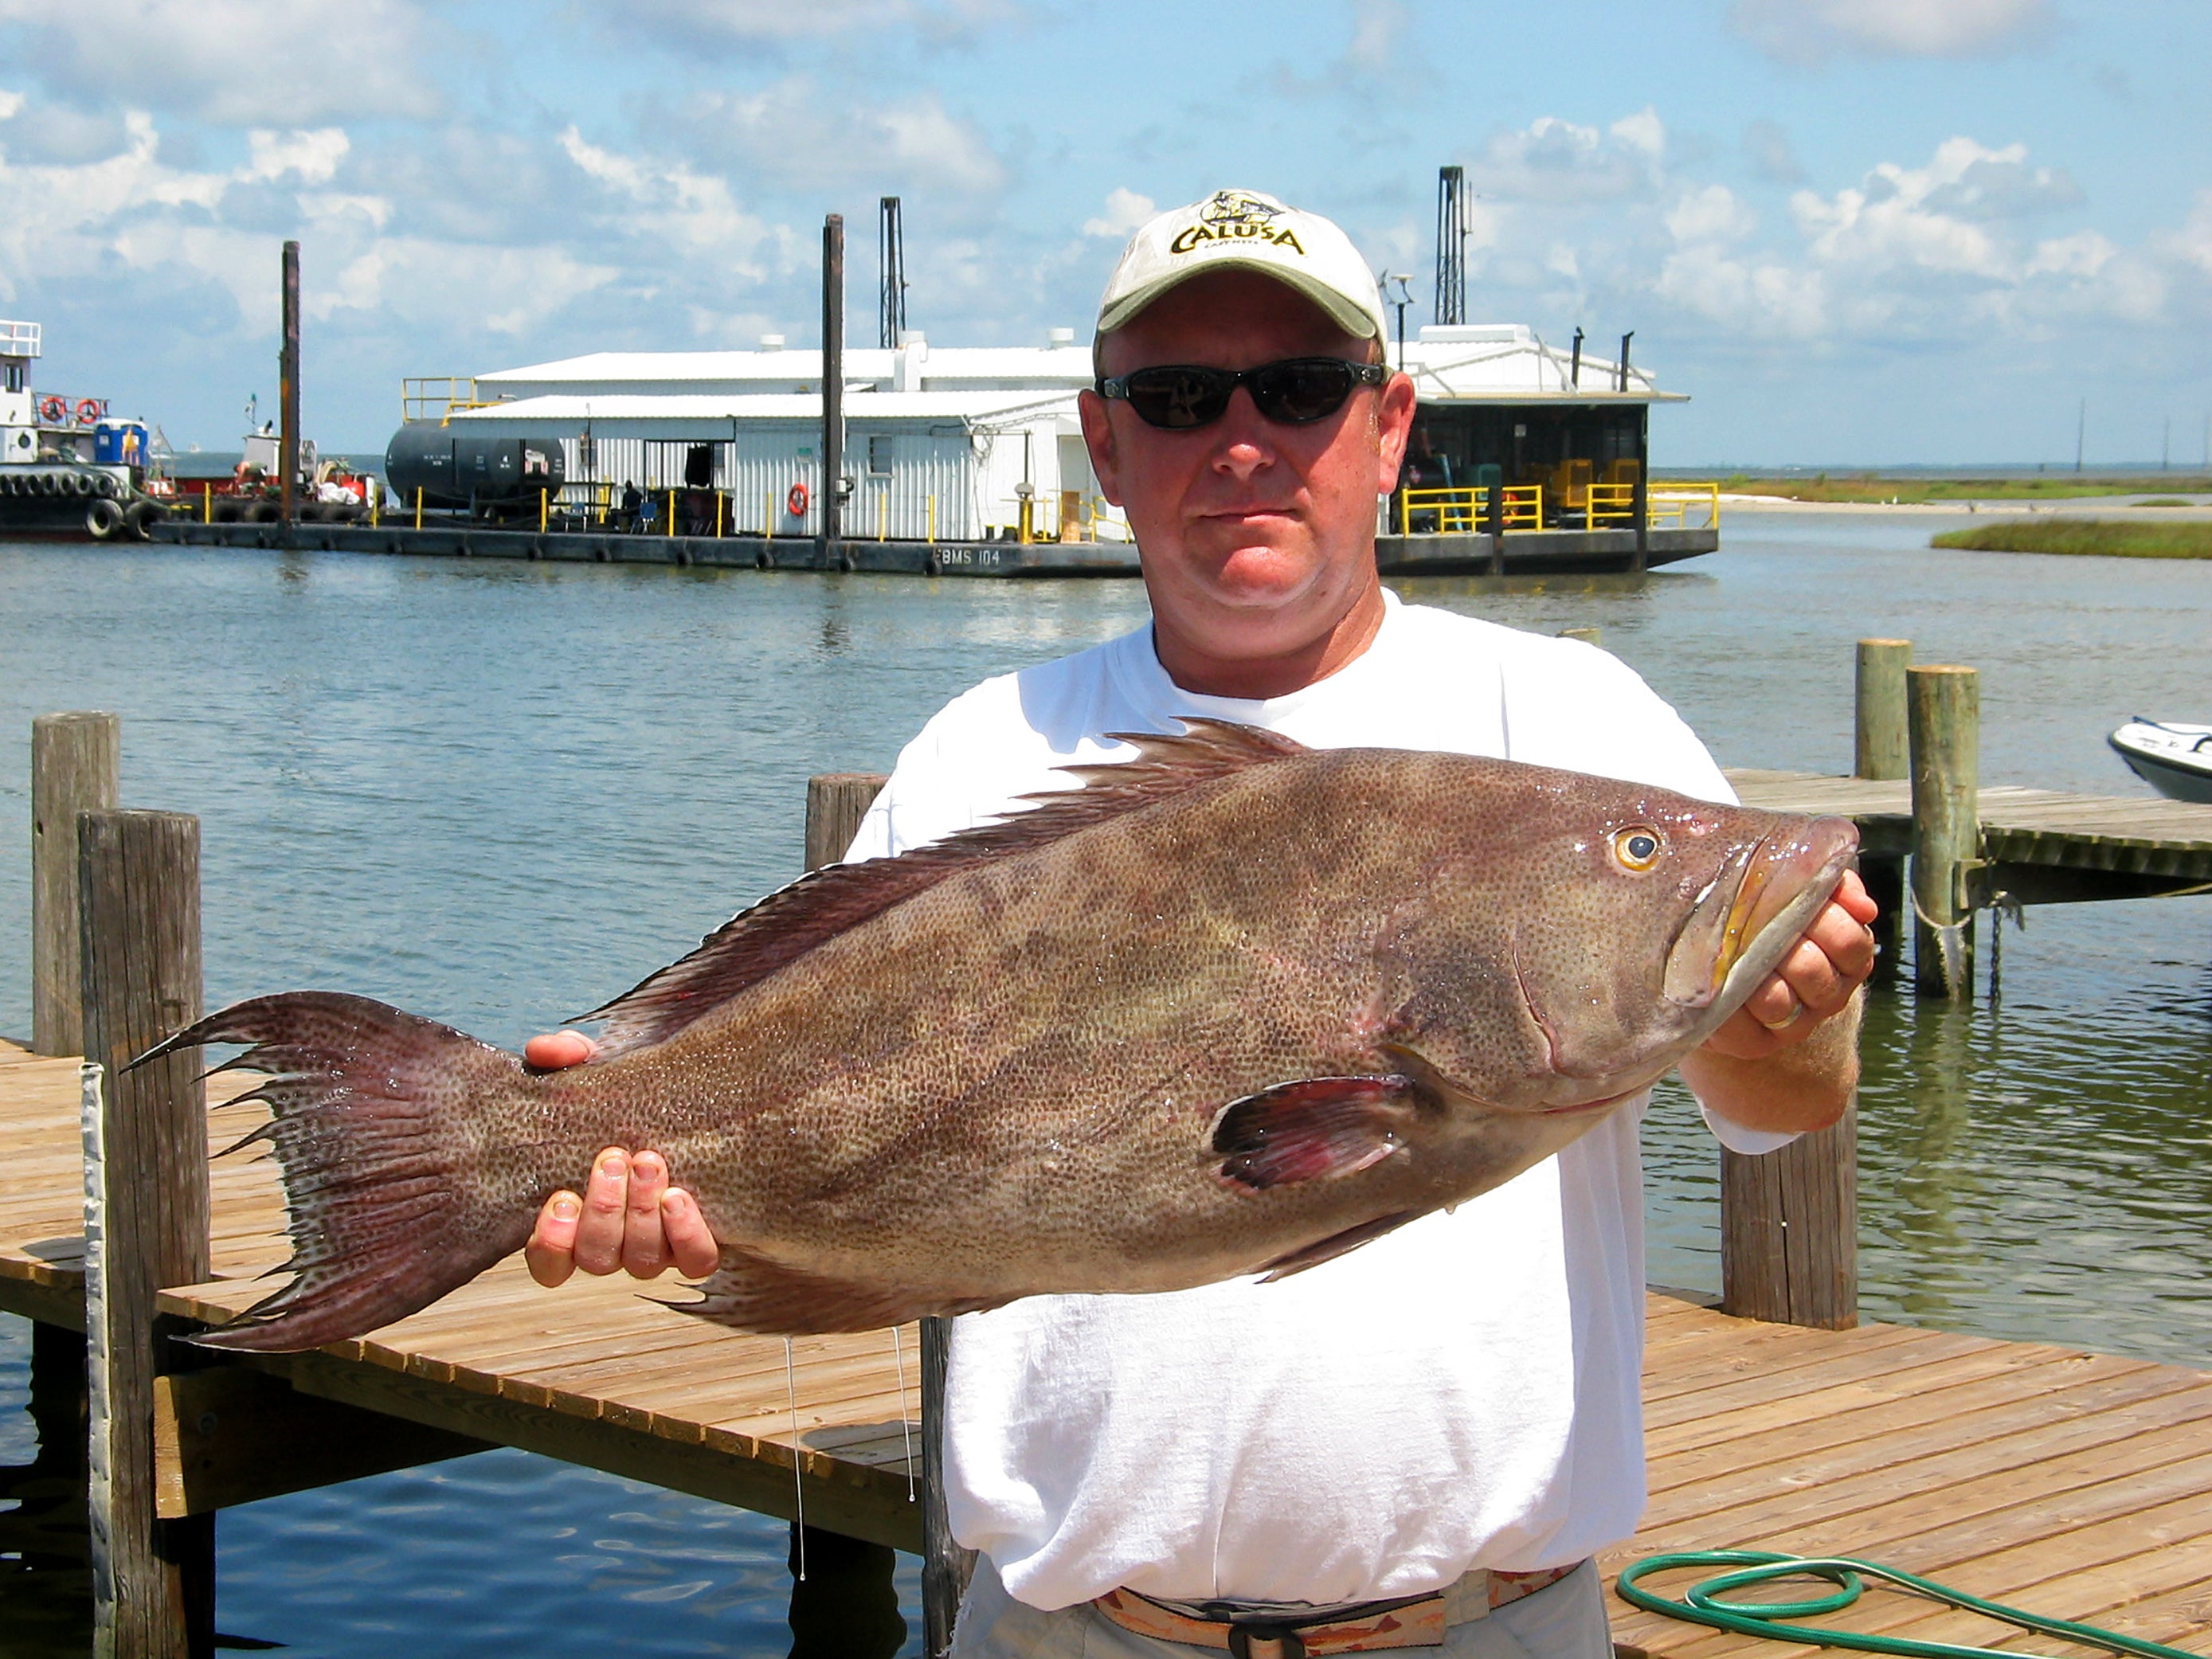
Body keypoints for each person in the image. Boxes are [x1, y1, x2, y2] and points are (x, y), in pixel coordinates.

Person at [521, 189, 1877, 1658]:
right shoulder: (984, 751)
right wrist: (630, 1133)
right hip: (1065, 1630)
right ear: (1106, 444)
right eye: (1176, 398)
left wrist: (1782, 1010)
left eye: (1299, 390)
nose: (1243, 442)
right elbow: (814, 1079)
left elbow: (1779, 1110)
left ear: (1388, 426)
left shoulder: (1560, 715)